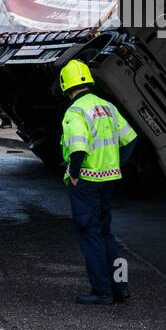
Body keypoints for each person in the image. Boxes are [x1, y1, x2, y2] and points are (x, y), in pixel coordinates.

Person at [57, 59, 137, 305]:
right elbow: (131, 139)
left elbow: (78, 149)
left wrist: (74, 172)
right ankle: (120, 287)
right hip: (108, 179)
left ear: (65, 84)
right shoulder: (107, 106)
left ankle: (102, 291)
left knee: (89, 233)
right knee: (106, 234)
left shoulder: (75, 112)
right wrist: (116, 163)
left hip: (86, 182)